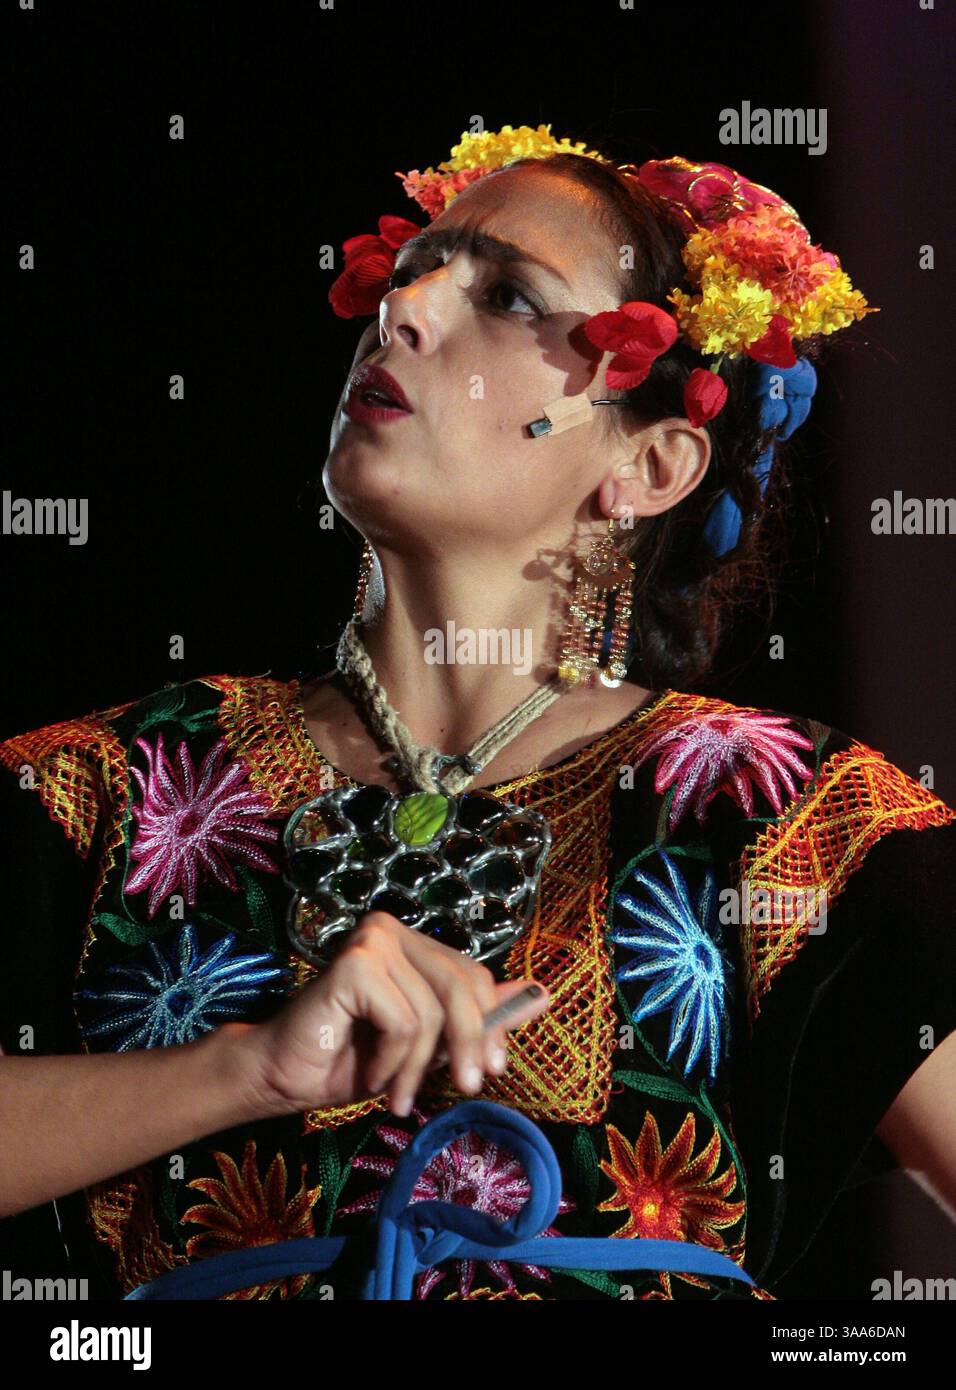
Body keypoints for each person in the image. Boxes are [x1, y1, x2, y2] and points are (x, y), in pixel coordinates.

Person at [1, 125, 954, 1302]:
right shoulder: (115, 780)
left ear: (649, 466)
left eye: (506, 294)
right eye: (410, 273)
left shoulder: (783, 812)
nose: (401, 313)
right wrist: (242, 1069)